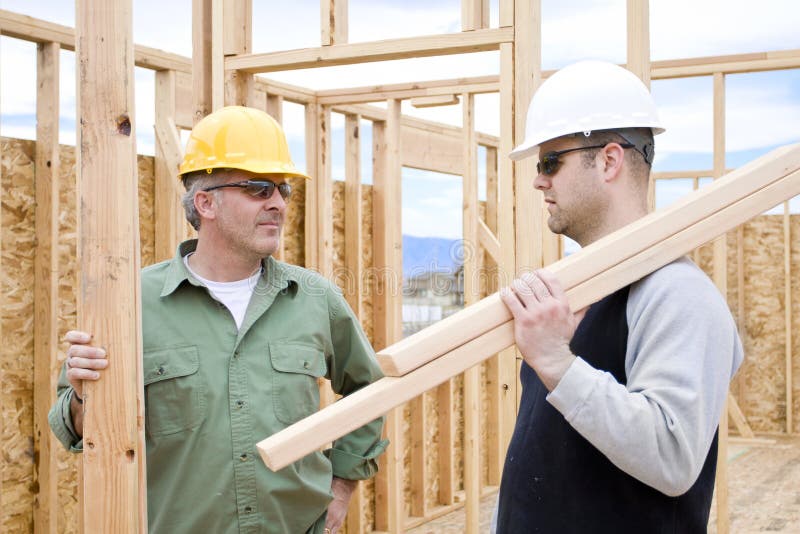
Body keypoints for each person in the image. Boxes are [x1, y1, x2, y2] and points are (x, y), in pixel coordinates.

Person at [48, 106, 387, 534]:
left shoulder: (315, 298)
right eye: (259, 189)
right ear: (205, 202)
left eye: (284, 191)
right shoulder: (130, 304)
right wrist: (83, 400)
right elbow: (71, 429)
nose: (279, 204)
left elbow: (370, 388)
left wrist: (341, 487)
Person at [493, 61, 743, 533]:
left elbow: (673, 456)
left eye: (550, 161)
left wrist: (556, 361)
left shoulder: (677, 293)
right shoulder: (582, 288)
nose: (538, 180)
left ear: (609, 160)